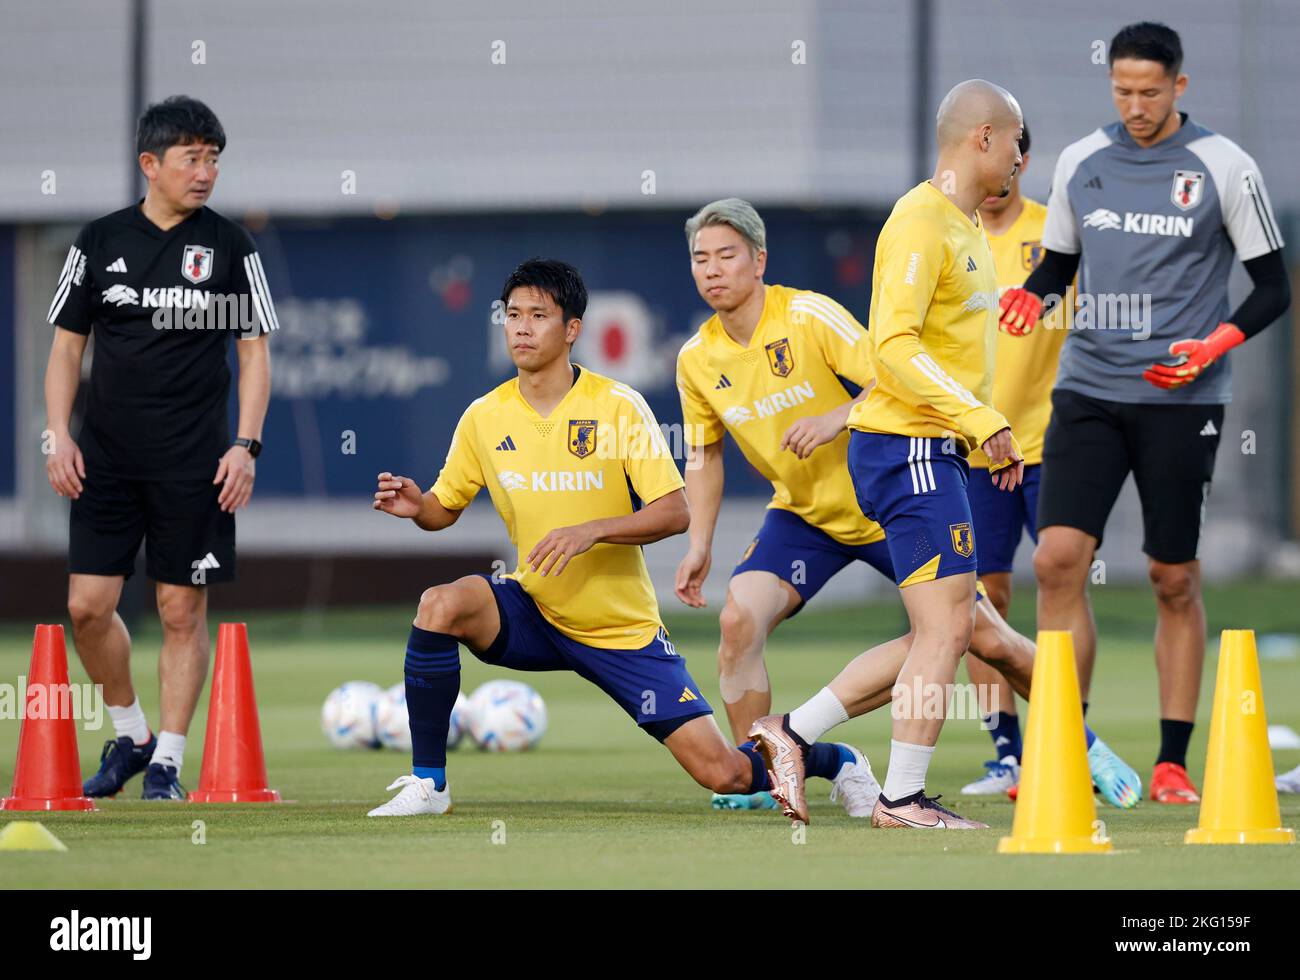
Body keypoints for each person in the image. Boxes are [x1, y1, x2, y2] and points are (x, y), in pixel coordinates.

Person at [366, 259, 878, 818]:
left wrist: (593, 531)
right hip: (535, 609)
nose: (521, 327)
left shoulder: (617, 406)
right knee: (441, 604)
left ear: (572, 329)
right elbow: (445, 510)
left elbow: (674, 513)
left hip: (619, 632)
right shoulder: (484, 417)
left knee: (725, 773)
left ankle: (837, 760)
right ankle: (429, 784)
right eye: (513, 315)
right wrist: (419, 508)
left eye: (539, 315)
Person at [674, 197, 1136, 815]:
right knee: (738, 621)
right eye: (700, 258)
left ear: (759, 261)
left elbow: (891, 369)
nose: (712, 269)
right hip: (804, 517)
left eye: (726, 255)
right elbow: (703, 457)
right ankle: (764, 770)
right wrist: (700, 543)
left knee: (986, 639)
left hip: (884, 502)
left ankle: (1082, 743)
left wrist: (837, 418)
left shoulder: (808, 315)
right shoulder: (695, 358)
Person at [749, 79, 1113, 830]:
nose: (1022, 156)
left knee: (941, 630)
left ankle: (794, 731)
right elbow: (893, 348)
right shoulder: (920, 221)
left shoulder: (964, 224)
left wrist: (983, 436)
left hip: (934, 451)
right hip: (907, 450)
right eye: (1015, 140)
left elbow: (948, 353)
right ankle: (901, 798)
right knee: (951, 630)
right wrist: (983, 420)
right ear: (982, 139)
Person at [999, 22, 1291, 804]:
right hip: (1089, 387)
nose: (1135, 105)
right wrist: (1034, 297)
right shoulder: (1082, 163)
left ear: (1179, 88)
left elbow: (1273, 287)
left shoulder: (1224, 166)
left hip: (1181, 398)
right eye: (1122, 90)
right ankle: (1065, 748)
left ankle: (1169, 761)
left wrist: (1210, 346)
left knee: (1172, 576)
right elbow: (1058, 265)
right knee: (1057, 560)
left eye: (1150, 92)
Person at [44, 95, 277, 800]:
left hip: (196, 460)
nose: (204, 172)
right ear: (151, 164)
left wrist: (246, 447)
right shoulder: (98, 241)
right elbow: (64, 350)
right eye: (191, 158)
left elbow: (256, 354)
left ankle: (169, 763)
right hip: (105, 457)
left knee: (181, 610)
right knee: (87, 606)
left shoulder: (231, 246)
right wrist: (55, 435)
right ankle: (132, 733)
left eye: (213, 159)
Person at [959, 120, 1070, 797]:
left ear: (1021, 158)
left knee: (1062, 588)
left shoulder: (1057, 234)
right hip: (975, 451)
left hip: (1054, 443)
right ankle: (1006, 755)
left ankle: (1066, 740)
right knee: (982, 601)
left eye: (1003, 151)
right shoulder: (950, 236)